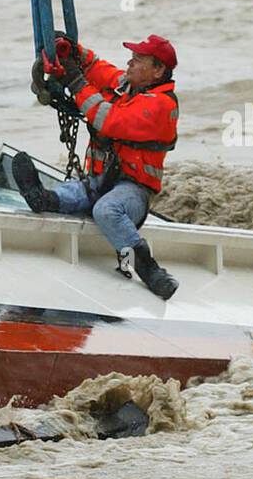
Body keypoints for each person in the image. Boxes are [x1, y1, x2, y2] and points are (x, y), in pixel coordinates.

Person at [12, 34, 180, 300]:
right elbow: (98, 69)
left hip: (133, 192)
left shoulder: (160, 105)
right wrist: (72, 50)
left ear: (158, 70)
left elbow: (108, 120)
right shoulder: (130, 87)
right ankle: (42, 198)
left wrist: (77, 84)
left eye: (138, 60)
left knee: (106, 209)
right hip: (104, 181)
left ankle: (150, 270)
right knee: (72, 194)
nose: (130, 62)